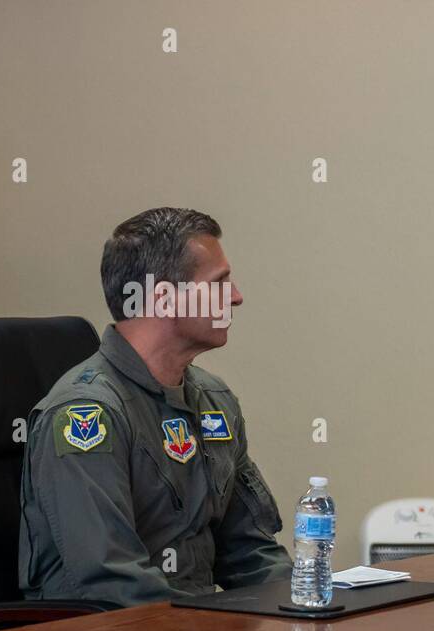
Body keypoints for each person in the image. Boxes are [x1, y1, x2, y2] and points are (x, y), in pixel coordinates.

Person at [19, 207, 292, 606]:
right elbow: (111, 580)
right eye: (219, 284)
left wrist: (309, 604)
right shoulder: (85, 415)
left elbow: (249, 551)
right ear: (164, 299)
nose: (236, 297)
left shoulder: (214, 400)